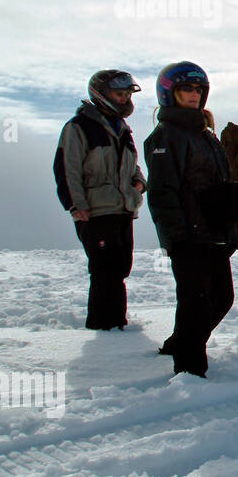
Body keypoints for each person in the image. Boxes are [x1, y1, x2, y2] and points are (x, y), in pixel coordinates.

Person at [144, 61, 237, 378]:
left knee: (222, 298)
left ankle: (181, 342)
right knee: (195, 302)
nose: (194, 94)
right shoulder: (165, 137)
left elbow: (217, 185)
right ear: (170, 93)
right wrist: (175, 238)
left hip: (213, 233)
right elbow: (161, 192)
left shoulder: (204, 134)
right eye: (187, 88)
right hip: (188, 236)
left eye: (199, 89)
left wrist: (229, 228)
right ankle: (190, 371)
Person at [54, 70, 147, 330]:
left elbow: (131, 164)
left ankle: (117, 323)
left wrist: (140, 182)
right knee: (104, 269)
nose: (124, 99)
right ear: (101, 94)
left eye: (127, 94)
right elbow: (67, 167)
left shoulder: (122, 128)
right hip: (95, 210)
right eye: (119, 94)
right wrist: (76, 204)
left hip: (123, 208)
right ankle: (103, 326)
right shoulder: (79, 126)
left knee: (119, 268)